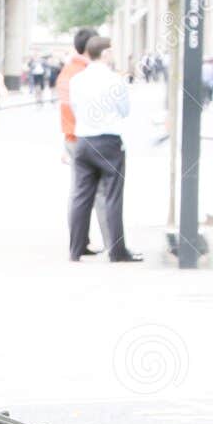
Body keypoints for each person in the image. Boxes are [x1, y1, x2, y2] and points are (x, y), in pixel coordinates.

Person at [68, 34, 141, 263]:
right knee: (112, 197)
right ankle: (117, 251)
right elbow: (124, 109)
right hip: (108, 141)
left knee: (81, 196)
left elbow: (74, 107)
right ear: (106, 53)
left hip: (83, 140)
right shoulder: (114, 80)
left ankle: (76, 249)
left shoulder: (76, 80)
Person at [57, 28, 100, 256]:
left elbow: (65, 107)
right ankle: (114, 244)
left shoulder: (68, 70)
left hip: (72, 136)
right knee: (99, 193)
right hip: (86, 136)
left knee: (78, 192)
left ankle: (78, 242)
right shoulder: (84, 72)